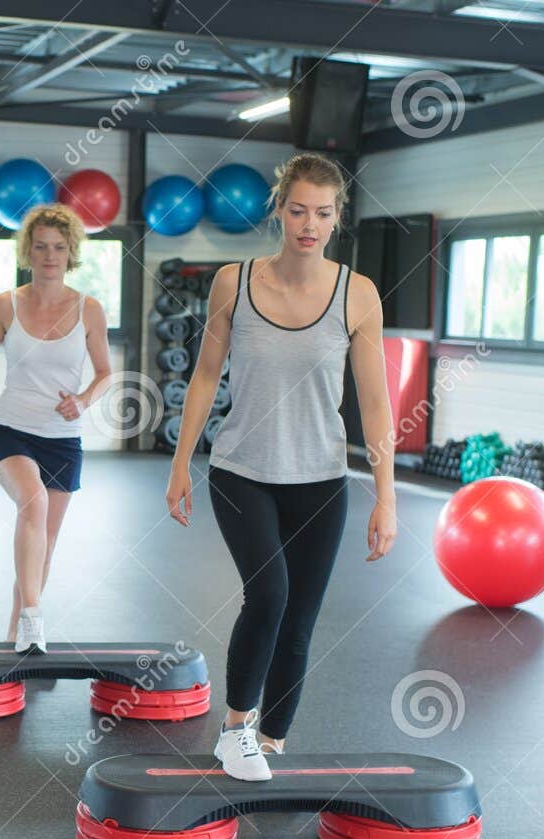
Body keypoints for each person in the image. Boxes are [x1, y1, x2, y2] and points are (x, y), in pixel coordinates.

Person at [165, 154, 396, 781]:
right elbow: (206, 375)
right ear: (278, 209)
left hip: (321, 480)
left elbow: (374, 403)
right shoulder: (232, 283)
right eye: (298, 210)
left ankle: (273, 741)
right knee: (268, 593)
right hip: (241, 470)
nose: (309, 224)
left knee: (300, 618)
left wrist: (386, 497)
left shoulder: (359, 294)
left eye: (323, 213)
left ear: (338, 218)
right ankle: (235, 731)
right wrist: (181, 463)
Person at [0, 203, 114, 652]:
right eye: (41, 246)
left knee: (44, 542)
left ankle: (17, 633)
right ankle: (34, 617)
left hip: (63, 441)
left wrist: (84, 400)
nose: (50, 255)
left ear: (72, 253)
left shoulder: (89, 310)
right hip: (10, 430)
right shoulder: (5, 305)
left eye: (59, 247)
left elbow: (106, 373)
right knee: (33, 505)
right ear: (27, 251)